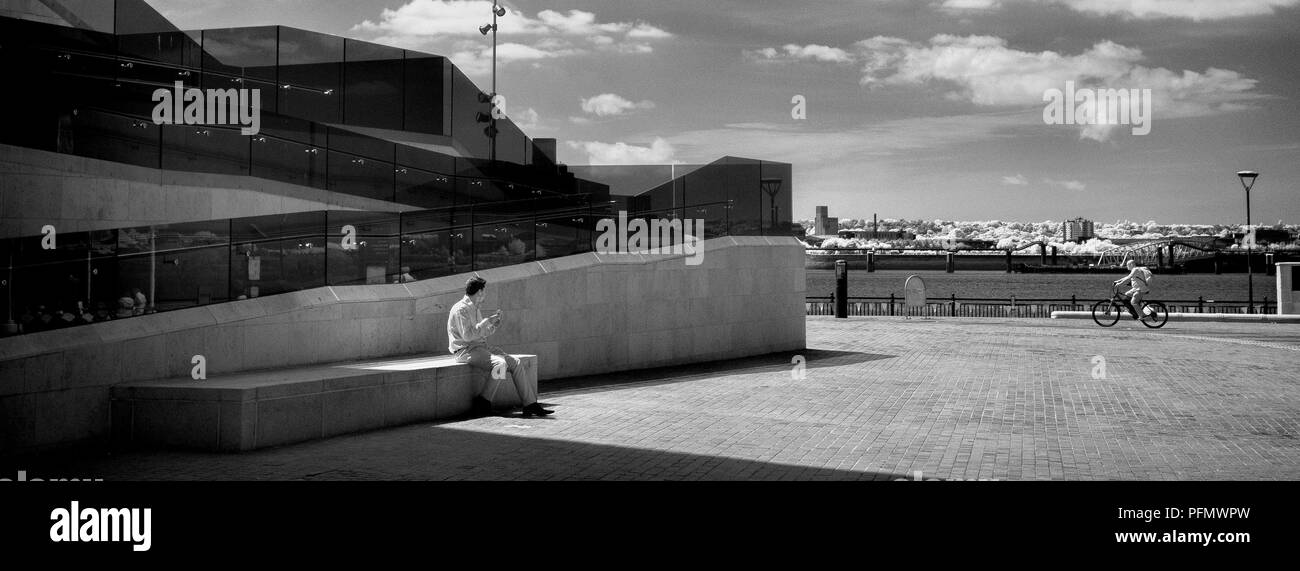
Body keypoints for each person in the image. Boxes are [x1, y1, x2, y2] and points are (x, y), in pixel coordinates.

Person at [447, 276, 553, 417]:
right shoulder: (461, 309)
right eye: (483, 292)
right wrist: (486, 321)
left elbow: (479, 333)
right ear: (479, 292)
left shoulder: (474, 308)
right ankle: (483, 402)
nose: (484, 295)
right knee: (500, 364)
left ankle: (530, 404)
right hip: (466, 351)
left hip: (480, 347)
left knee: (515, 363)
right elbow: (467, 336)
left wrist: (493, 326)